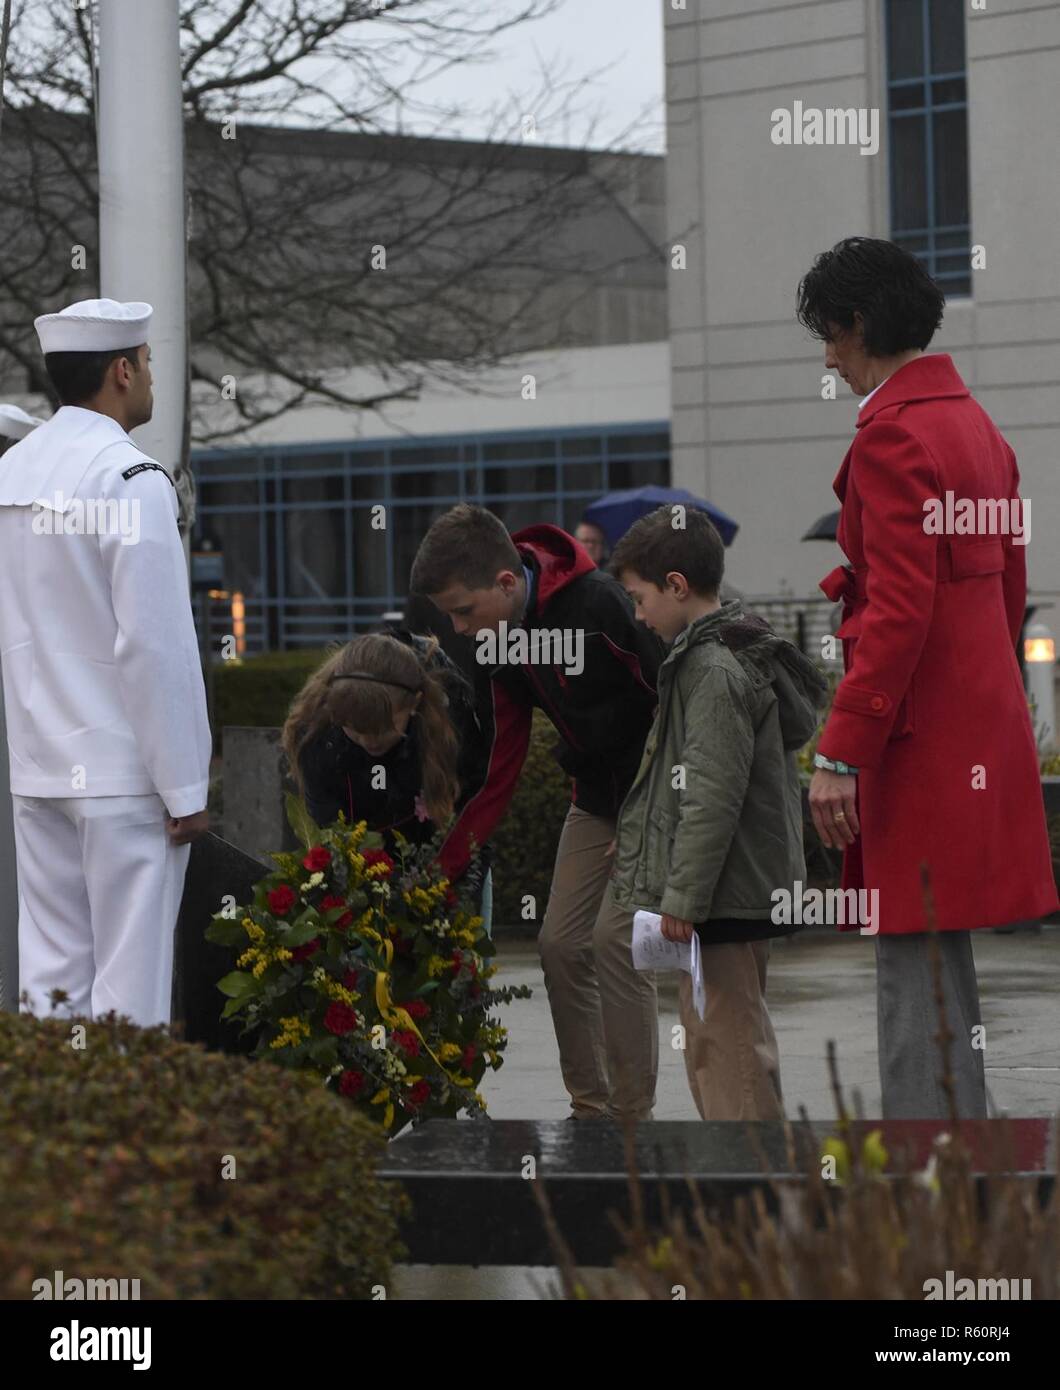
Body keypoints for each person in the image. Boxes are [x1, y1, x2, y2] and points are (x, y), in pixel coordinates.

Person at [796, 237, 1059, 1118]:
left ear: (858, 325)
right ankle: (962, 1151)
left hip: (915, 733)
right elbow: (1012, 591)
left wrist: (841, 751)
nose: (828, 360)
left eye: (829, 338)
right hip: (979, 726)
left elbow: (898, 612)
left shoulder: (894, 437)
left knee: (910, 961)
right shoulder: (978, 427)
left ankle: (928, 1171)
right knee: (938, 959)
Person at [410, 504, 664, 1121]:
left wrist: (653, 814)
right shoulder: (498, 639)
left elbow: (675, 707)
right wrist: (442, 866)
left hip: (657, 797)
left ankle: (634, 1123)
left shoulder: (603, 608)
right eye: (447, 616)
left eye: (463, 612)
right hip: (593, 801)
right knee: (558, 943)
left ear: (504, 585)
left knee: (615, 941)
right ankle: (591, 1109)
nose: (459, 629)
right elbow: (501, 759)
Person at [0, 299, 212, 1026]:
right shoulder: (130, 478)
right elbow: (154, 646)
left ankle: (50, 1135)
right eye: (148, 363)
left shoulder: (13, 475)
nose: (150, 376)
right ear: (122, 371)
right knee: (131, 998)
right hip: (123, 778)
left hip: (39, 768)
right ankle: (127, 1139)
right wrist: (184, 785)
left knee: (52, 987)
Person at [609, 506, 827, 1120]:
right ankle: (752, 1187)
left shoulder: (710, 669)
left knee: (726, 1048)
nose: (638, 613)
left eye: (640, 596)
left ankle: (752, 1194)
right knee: (725, 1038)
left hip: (721, 894)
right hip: (733, 889)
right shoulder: (727, 652)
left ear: (676, 586)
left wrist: (682, 896)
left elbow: (711, 795)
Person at [281, 629, 493, 925]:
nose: (369, 740)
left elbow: (472, 817)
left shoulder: (451, 722)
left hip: (449, 859)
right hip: (360, 871)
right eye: (355, 729)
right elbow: (328, 830)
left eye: (382, 729)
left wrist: (442, 903)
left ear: (415, 703)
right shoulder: (315, 733)